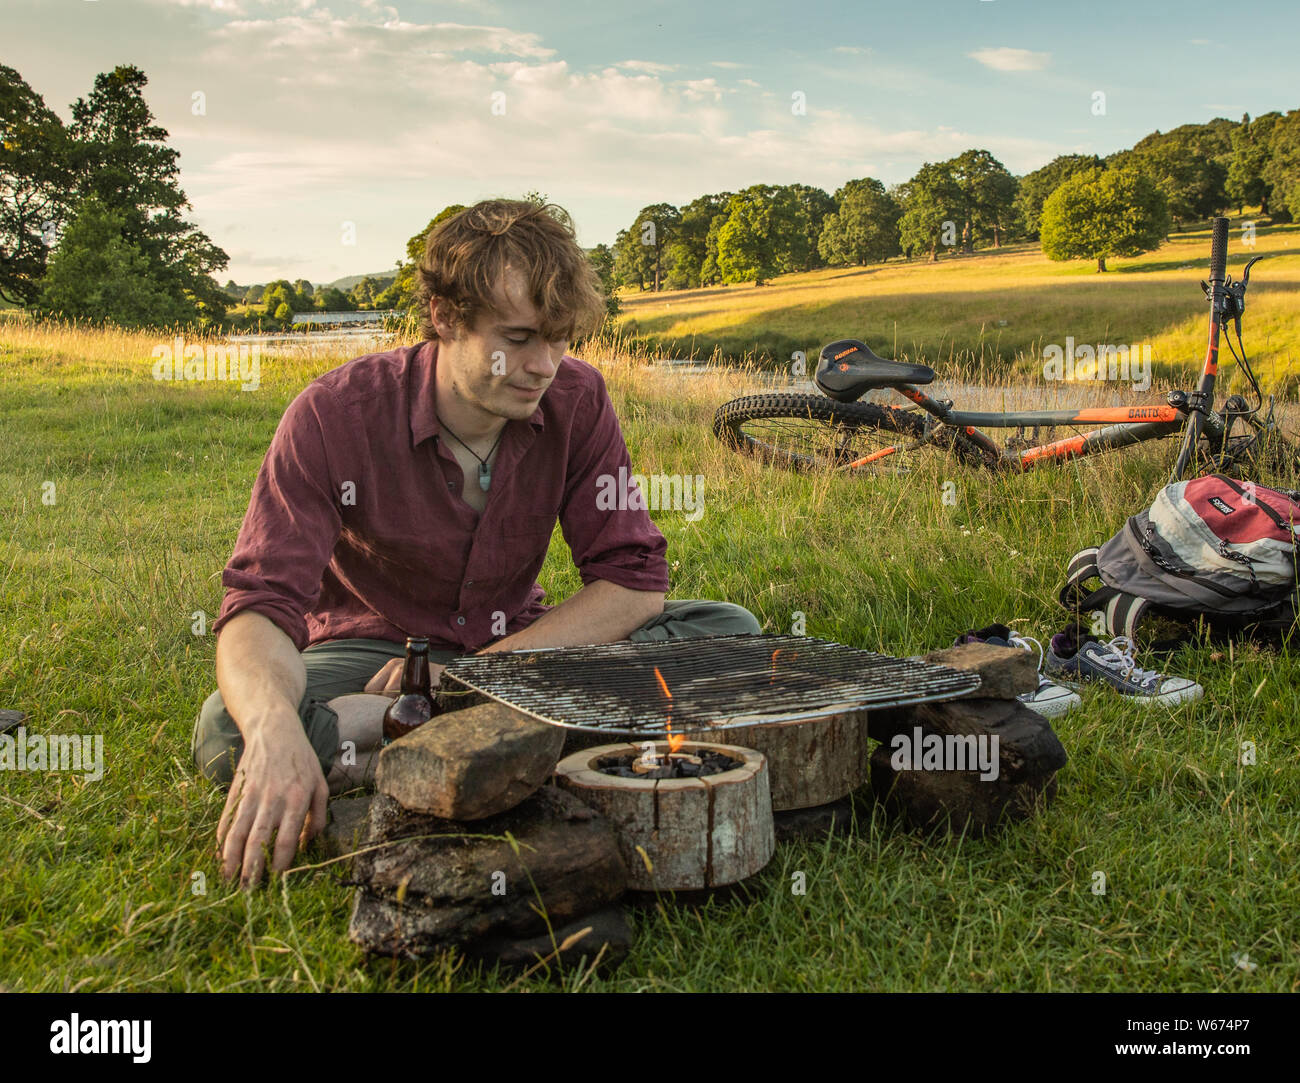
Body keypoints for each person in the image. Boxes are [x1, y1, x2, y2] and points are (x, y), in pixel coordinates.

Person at [192, 198, 761, 887]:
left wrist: (472, 675)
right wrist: (277, 729)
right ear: (444, 316)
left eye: (560, 339)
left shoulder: (577, 400)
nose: (544, 364)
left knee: (728, 632)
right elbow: (259, 604)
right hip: (376, 654)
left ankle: (411, 748)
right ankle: (525, 747)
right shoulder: (333, 415)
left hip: (517, 651)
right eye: (518, 337)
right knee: (231, 727)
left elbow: (633, 581)